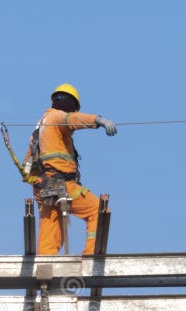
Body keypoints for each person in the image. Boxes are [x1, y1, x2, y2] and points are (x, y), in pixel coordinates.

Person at [23, 83, 117, 255]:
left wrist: (38, 184)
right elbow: (72, 120)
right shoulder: (57, 117)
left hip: (46, 186)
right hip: (62, 184)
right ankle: (90, 256)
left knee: (50, 232)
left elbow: (27, 166)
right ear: (72, 105)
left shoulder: (39, 128)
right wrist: (98, 120)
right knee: (98, 210)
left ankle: (46, 266)